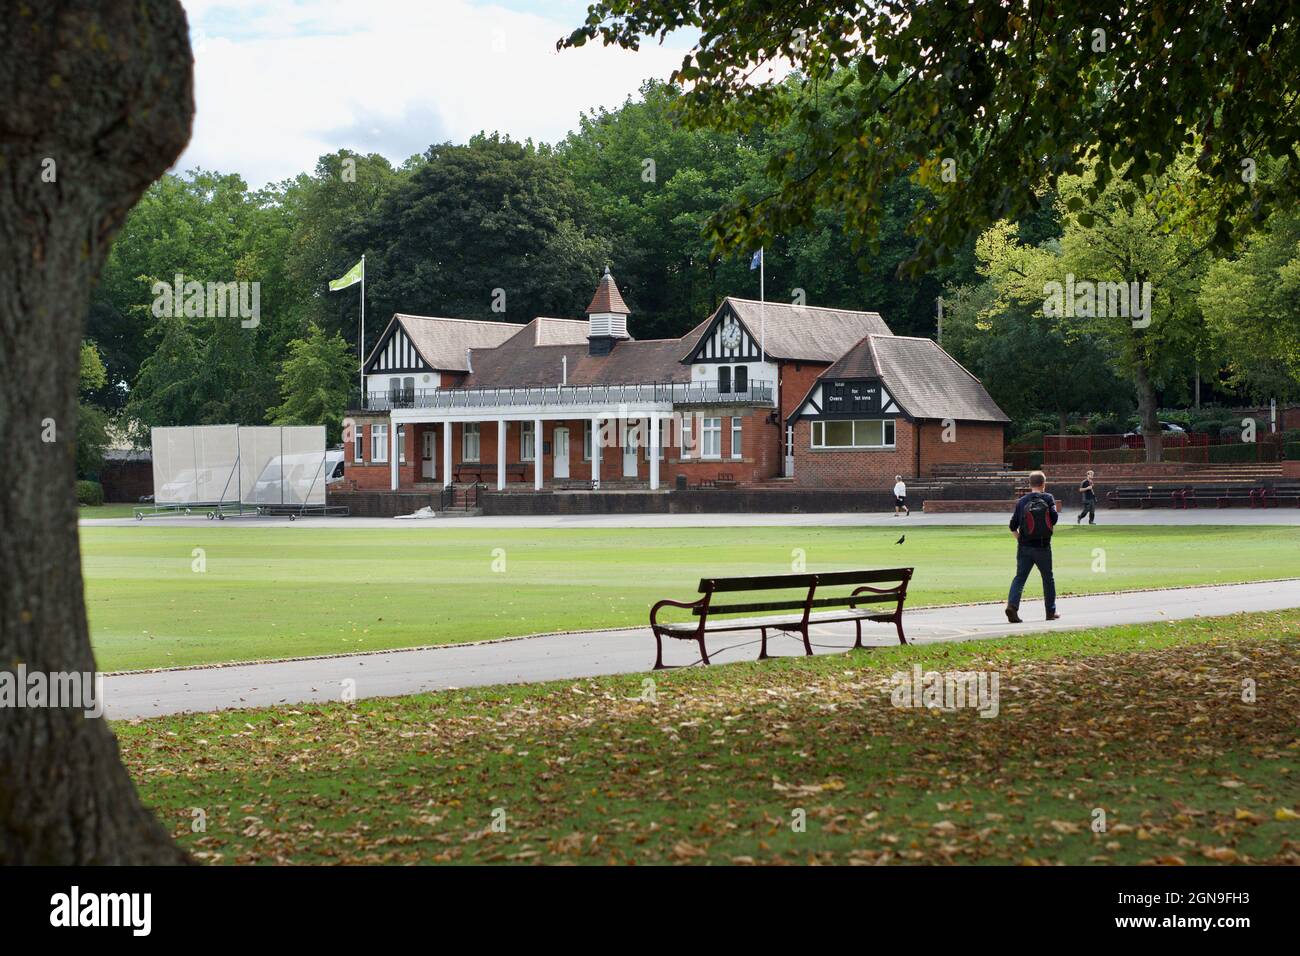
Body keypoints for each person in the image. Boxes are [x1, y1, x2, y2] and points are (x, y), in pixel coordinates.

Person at [1006, 470, 1060, 623]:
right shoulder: (1048, 498)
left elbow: (1012, 525)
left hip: (1024, 547)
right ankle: (1050, 611)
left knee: (1020, 578)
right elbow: (1054, 519)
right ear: (1044, 484)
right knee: (1048, 578)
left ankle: (1012, 606)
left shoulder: (1022, 501)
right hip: (1043, 546)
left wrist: (1019, 540)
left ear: (1030, 484)